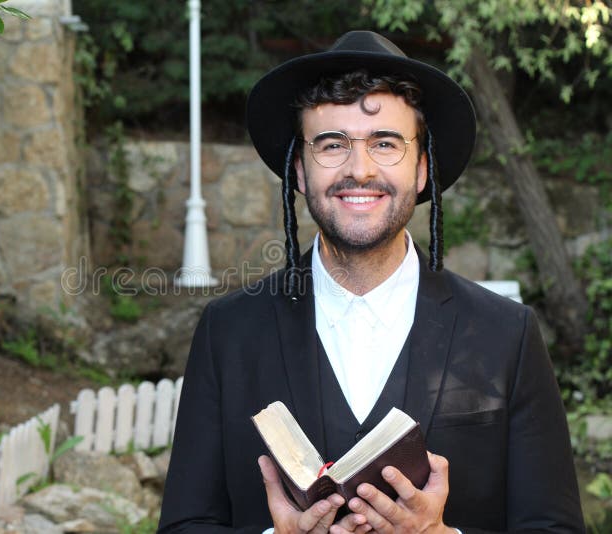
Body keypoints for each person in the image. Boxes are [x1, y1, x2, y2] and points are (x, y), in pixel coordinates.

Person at [158, 30, 585, 534]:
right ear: (298, 169)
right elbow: (184, 524)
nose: (359, 170)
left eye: (385, 143)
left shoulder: (506, 335)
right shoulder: (228, 332)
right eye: (332, 144)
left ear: (423, 168)